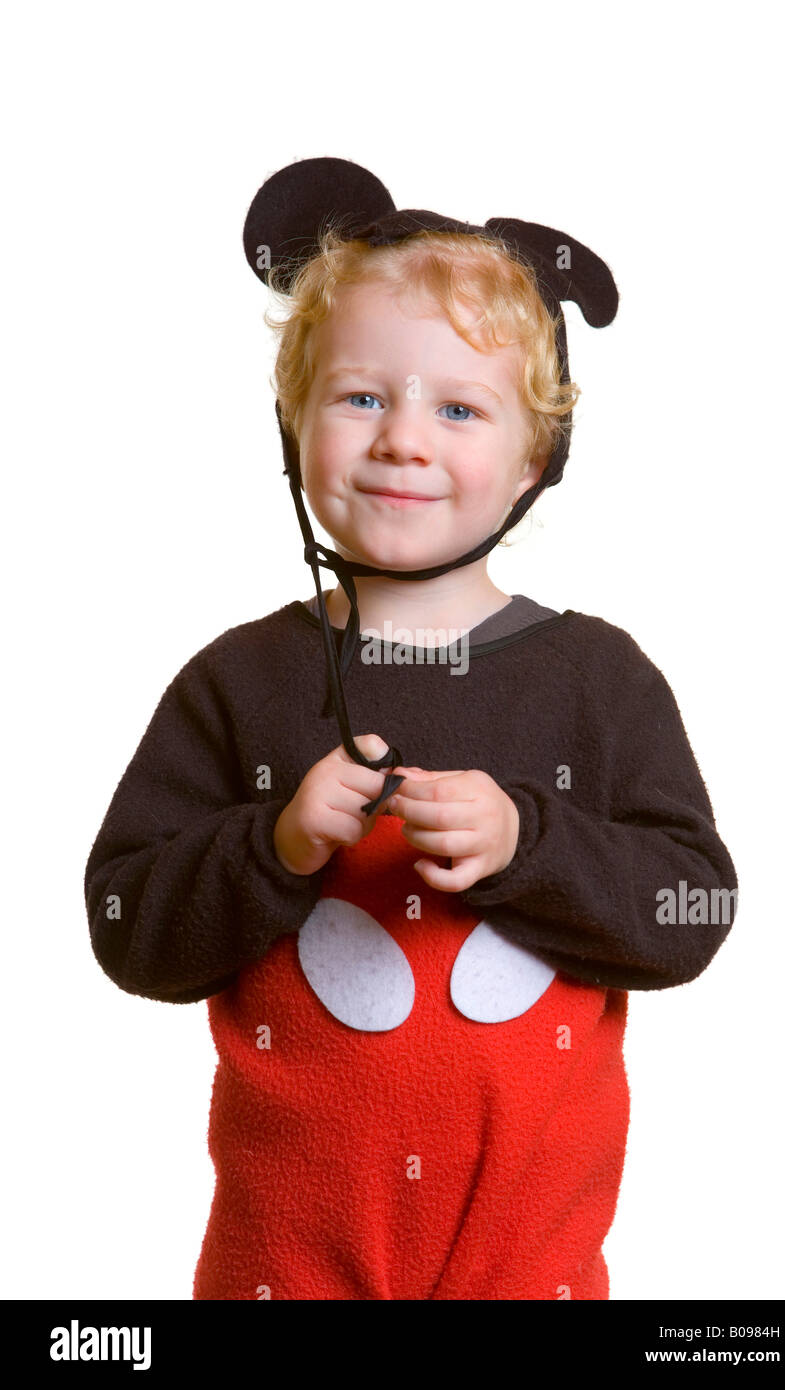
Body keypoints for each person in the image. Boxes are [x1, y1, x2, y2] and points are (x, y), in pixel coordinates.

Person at [84, 161, 738, 1300]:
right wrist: (272, 846)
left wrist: (529, 841)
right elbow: (127, 925)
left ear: (534, 458)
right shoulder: (234, 682)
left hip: (527, 1260)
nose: (401, 439)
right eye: (359, 397)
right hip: (284, 1259)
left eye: (457, 407)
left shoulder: (599, 679)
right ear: (293, 422)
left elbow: (690, 910)